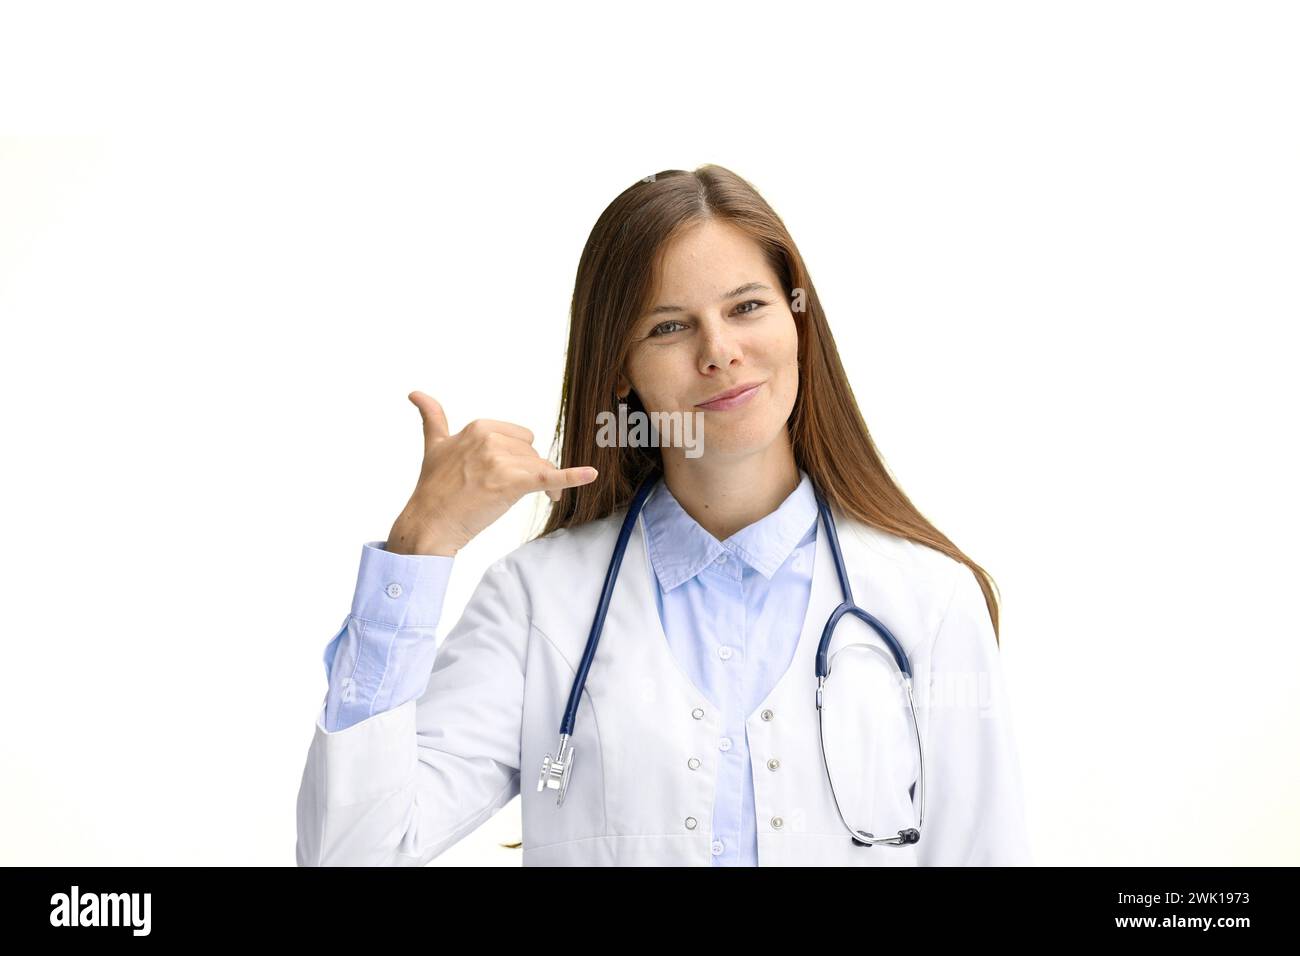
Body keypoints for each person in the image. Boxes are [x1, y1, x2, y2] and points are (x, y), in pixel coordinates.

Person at [295, 164, 1032, 867]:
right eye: (670, 327)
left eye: (747, 307)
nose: (720, 353)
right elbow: (350, 852)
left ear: (798, 323)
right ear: (621, 366)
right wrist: (419, 547)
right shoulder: (538, 604)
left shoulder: (930, 603)